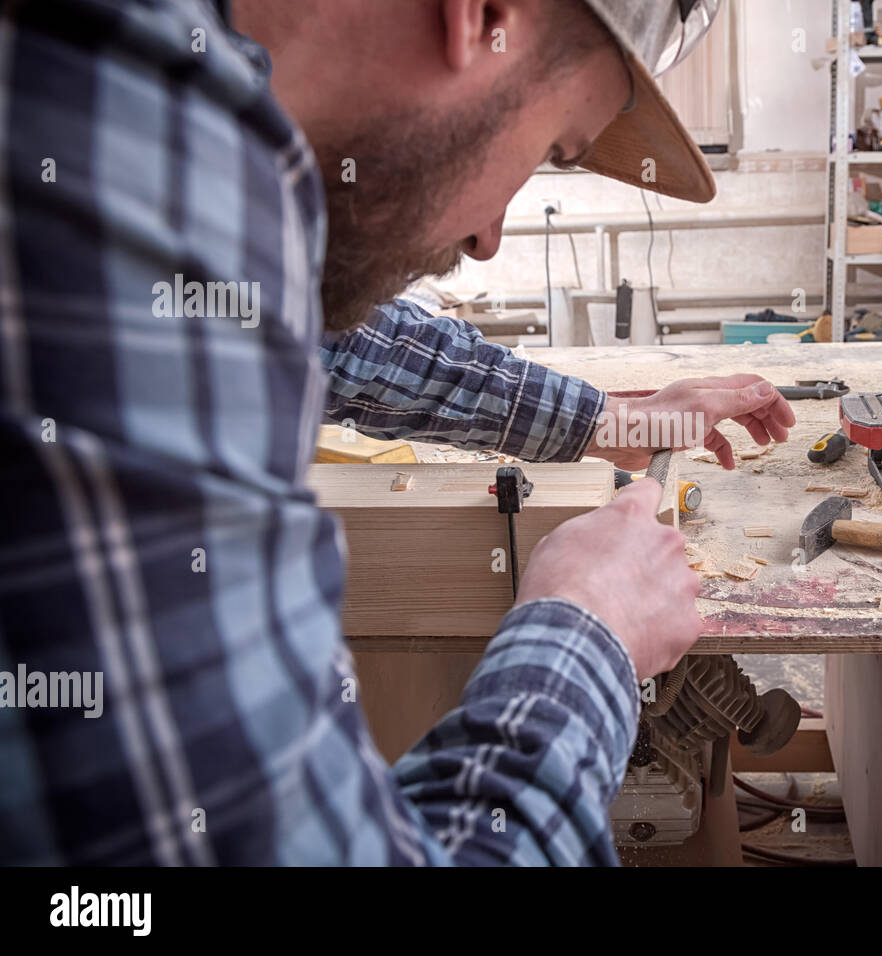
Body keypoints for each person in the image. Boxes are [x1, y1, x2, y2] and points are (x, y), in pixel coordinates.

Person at [0, 0, 795, 864]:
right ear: (481, 16)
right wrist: (586, 629)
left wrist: (609, 421)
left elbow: (333, 338)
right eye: (551, 149)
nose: (490, 238)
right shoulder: (134, 162)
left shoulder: (107, 94)